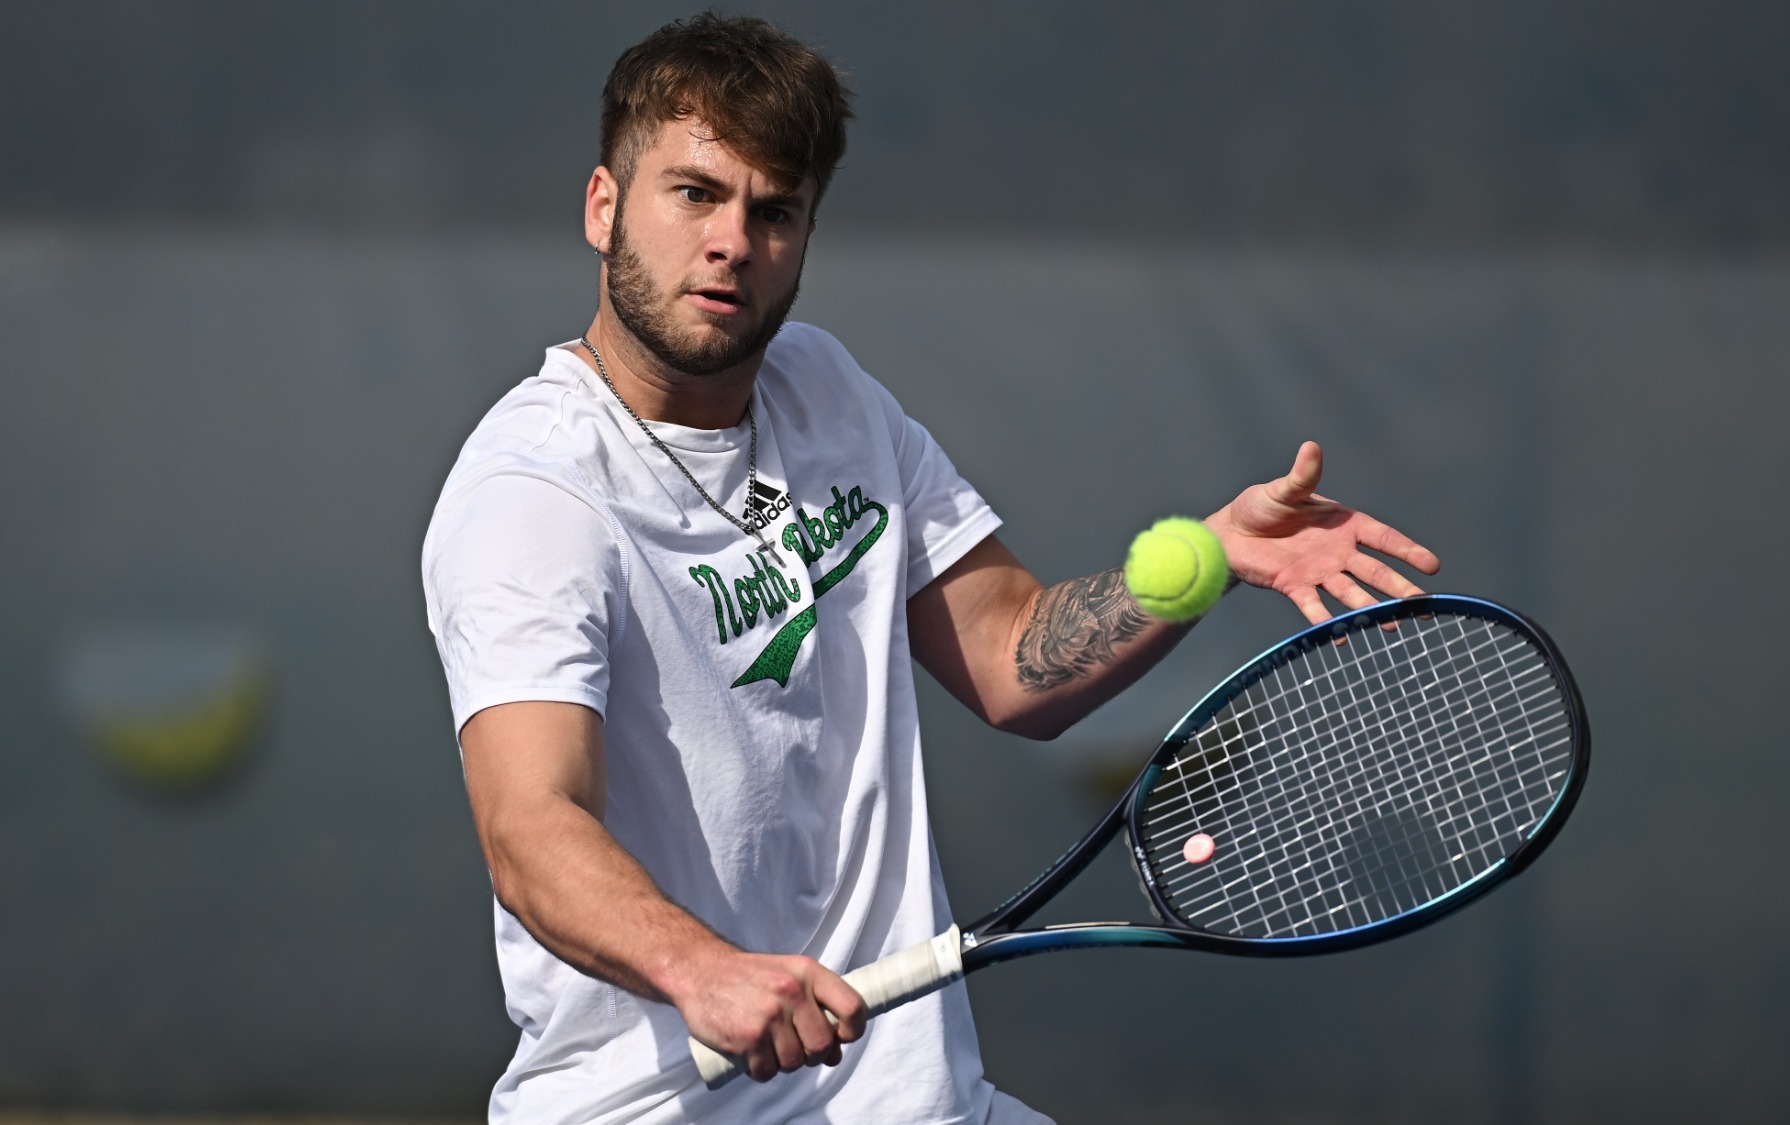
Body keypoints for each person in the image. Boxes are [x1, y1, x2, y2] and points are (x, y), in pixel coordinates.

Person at [421, 14, 1439, 1124]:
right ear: (603, 208)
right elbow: (531, 825)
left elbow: (1007, 649)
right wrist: (702, 970)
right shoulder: (532, 493)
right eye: (694, 195)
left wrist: (1207, 556)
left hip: (915, 1099)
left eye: (774, 212)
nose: (732, 242)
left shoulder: (828, 393)